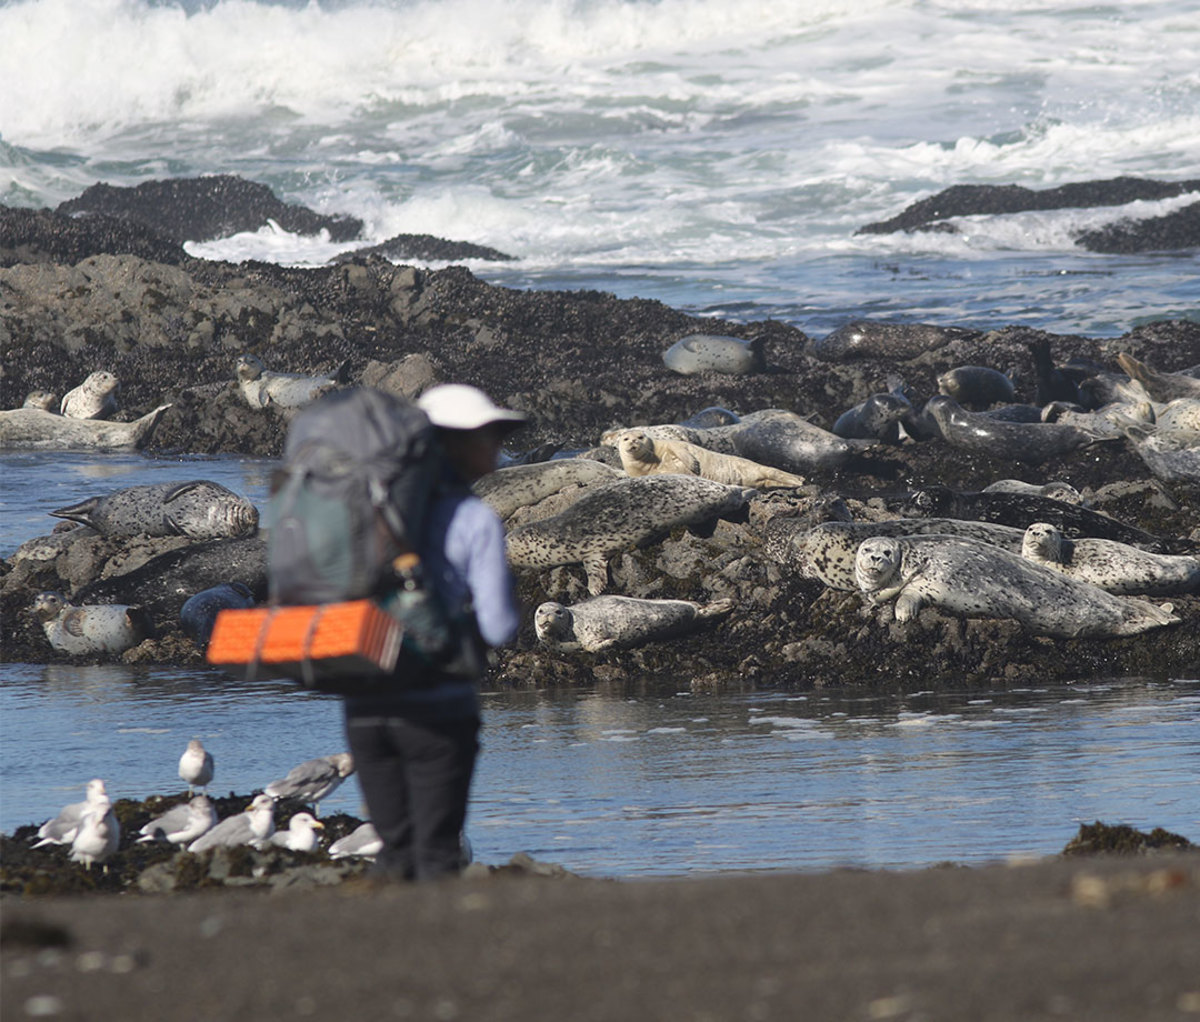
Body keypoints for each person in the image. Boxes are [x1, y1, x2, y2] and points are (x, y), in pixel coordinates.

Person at [342, 383, 526, 881]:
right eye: (490, 435)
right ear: (455, 444)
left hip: (364, 706)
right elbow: (499, 626)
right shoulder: (473, 518)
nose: (499, 446)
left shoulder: (364, 509)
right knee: (438, 855)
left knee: (394, 853)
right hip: (436, 710)